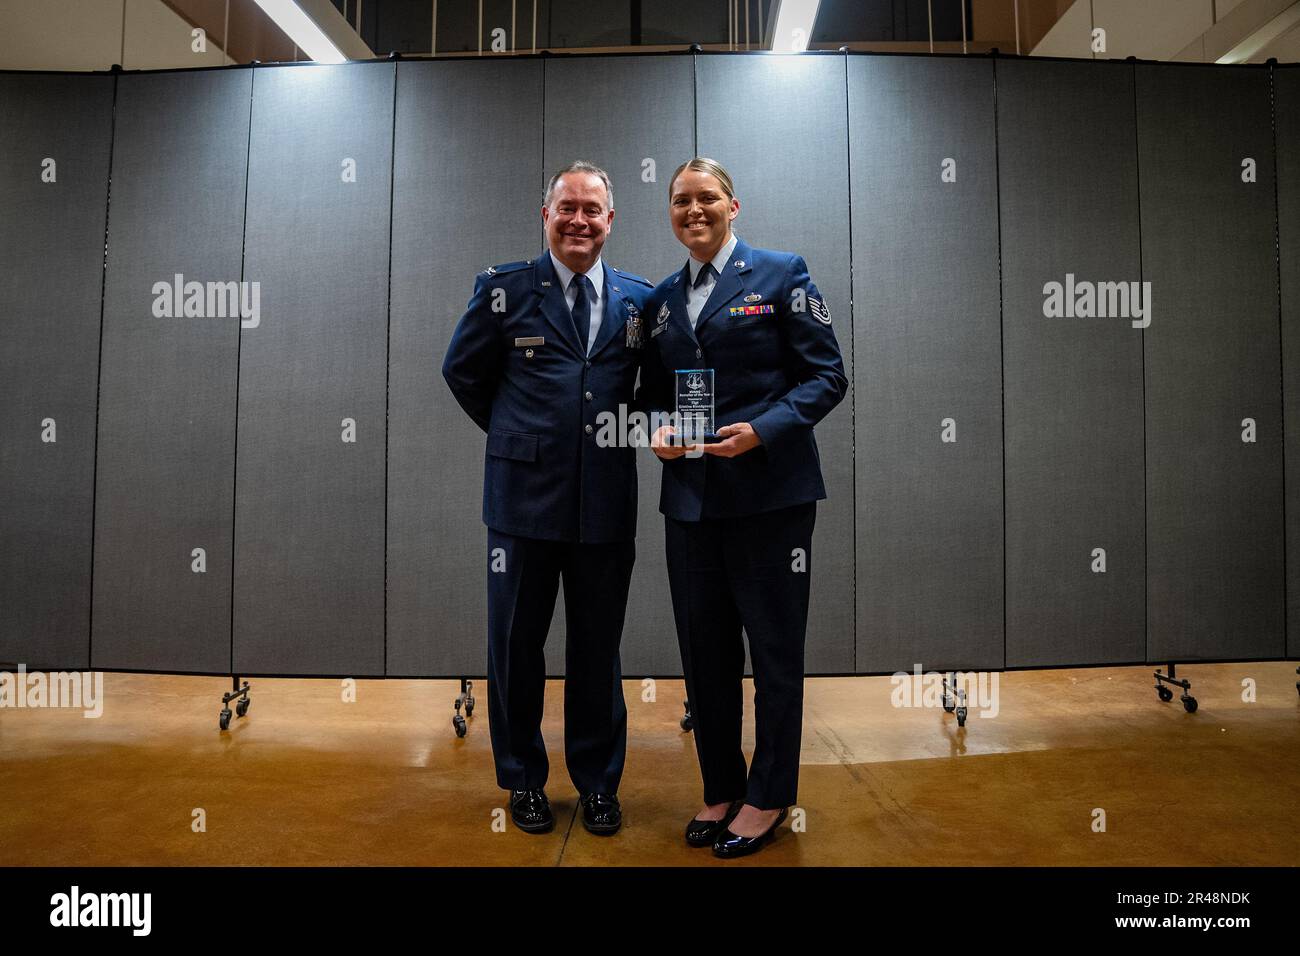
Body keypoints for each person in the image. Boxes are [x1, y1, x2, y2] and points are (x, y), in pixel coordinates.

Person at [639, 157, 847, 858]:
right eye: (680, 201)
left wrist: (763, 430)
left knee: (775, 655)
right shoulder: (662, 299)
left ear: (734, 205)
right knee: (706, 658)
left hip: (770, 502)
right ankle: (721, 788)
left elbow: (827, 376)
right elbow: (648, 398)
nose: (693, 210)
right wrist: (658, 433)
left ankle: (767, 797)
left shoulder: (782, 274)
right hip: (691, 505)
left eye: (706, 199)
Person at [442, 161, 654, 836]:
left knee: (598, 652)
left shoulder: (637, 302)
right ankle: (524, 780)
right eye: (567, 208)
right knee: (515, 648)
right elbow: (463, 372)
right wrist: (518, 437)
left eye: (592, 210)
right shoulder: (504, 290)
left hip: (604, 507)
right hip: (521, 507)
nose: (579, 220)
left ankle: (597, 784)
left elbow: (645, 391)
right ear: (546, 215)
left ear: (611, 222)